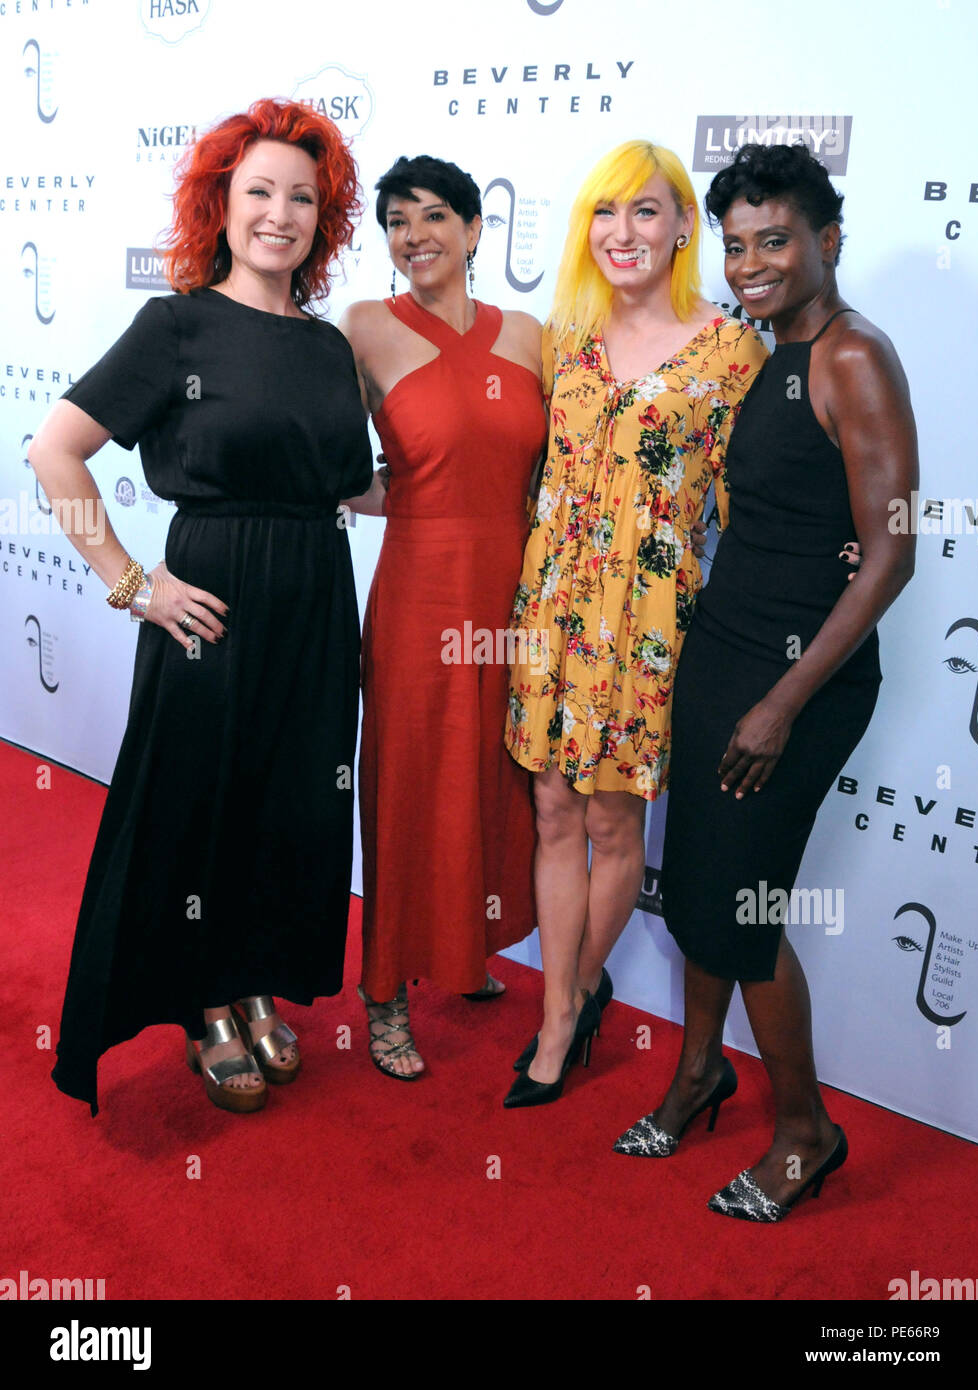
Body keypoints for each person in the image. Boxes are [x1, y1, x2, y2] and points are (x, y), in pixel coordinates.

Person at [32, 98, 371, 1114]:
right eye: (258, 191)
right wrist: (131, 582)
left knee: (291, 805)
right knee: (203, 803)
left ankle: (256, 980)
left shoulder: (325, 345)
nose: (280, 213)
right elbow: (56, 452)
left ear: (325, 216)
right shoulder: (176, 322)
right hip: (210, 597)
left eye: (302, 197)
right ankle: (204, 1000)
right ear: (220, 206)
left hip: (315, 597)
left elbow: (342, 481)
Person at [614, 142, 918, 1220]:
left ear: (829, 241)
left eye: (775, 240)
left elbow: (892, 554)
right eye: (736, 244)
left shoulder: (853, 360)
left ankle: (807, 1129)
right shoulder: (756, 350)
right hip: (722, 653)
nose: (750, 263)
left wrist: (783, 703)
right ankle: (701, 1073)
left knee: (741, 906)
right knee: (696, 884)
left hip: (802, 681)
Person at [502, 140, 769, 1107]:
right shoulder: (561, 337)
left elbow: (748, 508)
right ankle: (562, 1003)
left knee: (615, 823)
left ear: (683, 227)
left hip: (651, 625)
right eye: (606, 214)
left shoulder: (733, 349)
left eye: (646, 212)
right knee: (552, 811)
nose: (623, 233)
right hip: (552, 607)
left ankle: (566, 1006)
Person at [338, 156, 547, 1078]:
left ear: (473, 228)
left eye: (432, 217)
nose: (414, 235)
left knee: (496, 780)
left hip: (514, 596)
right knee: (408, 778)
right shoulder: (365, 328)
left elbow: (541, 475)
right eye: (395, 221)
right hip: (419, 596)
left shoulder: (531, 336)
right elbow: (339, 467)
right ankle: (385, 992)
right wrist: (417, 502)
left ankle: (466, 952)